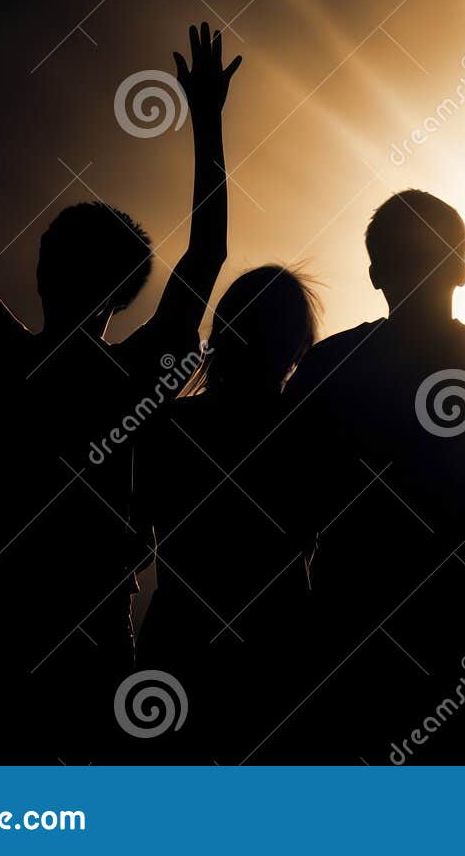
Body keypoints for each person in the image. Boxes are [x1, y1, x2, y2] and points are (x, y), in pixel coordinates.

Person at [0, 16, 239, 761]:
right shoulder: (130, 377)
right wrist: (207, 120)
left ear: (45, 273)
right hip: (76, 640)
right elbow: (207, 253)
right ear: (123, 293)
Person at [278, 191, 465, 764]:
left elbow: (285, 521)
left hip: (352, 672)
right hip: (464, 670)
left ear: (375, 273)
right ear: (462, 270)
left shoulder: (327, 370)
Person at [130, 264, 321, 763]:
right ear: (296, 347)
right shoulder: (312, 435)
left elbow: (134, 543)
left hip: (178, 647)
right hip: (277, 656)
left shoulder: (168, 426)